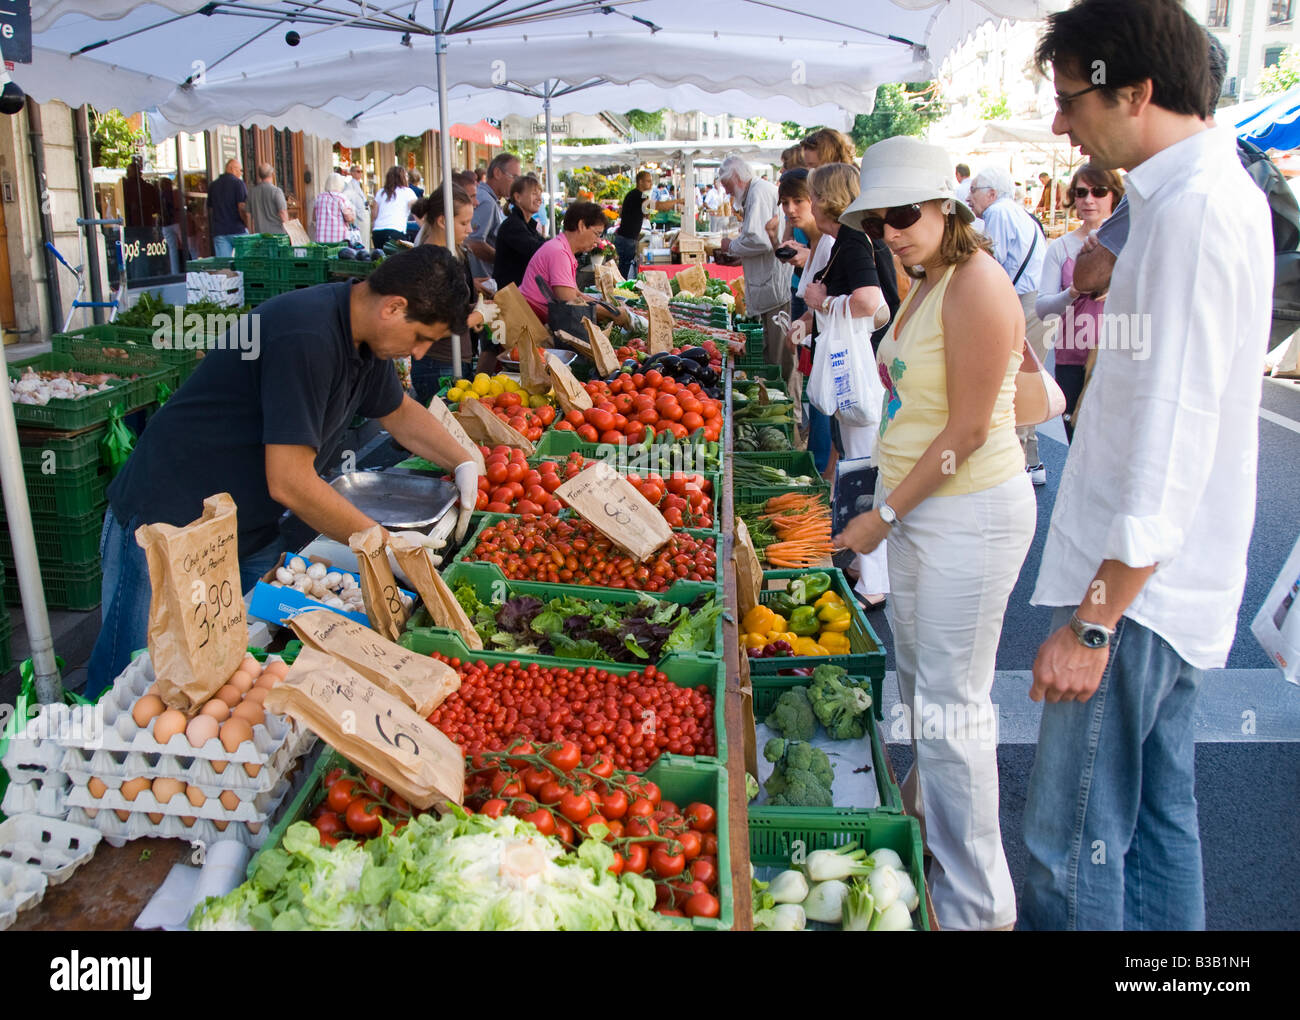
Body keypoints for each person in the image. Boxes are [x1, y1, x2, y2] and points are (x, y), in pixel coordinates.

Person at [1022, 0, 1272, 932]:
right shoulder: (1194, 201)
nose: (1060, 123)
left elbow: (1175, 428)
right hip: (1164, 589)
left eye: (1070, 98)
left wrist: (1093, 622)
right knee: (1159, 820)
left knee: (1069, 841)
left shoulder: (1197, 213)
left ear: (1136, 92)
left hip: (1135, 597)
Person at [87, 246, 482, 698]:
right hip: (169, 520)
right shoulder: (307, 335)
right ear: (393, 307)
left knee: (229, 665)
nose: (420, 351)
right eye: (421, 337)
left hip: (246, 523)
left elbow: (398, 412)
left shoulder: (365, 340)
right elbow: (291, 481)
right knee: (129, 676)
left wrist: (463, 459)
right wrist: (383, 546)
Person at [833, 136, 1034, 931]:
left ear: (945, 204)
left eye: (905, 213)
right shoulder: (929, 278)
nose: (892, 230)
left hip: (967, 514)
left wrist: (881, 517)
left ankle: (979, 904)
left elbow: (973, 429)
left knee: (954, 710)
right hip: (924, 509)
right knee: (920, 688)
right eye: (881, 219)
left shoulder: (977, 283)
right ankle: (921, 821)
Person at [801, 162, 898, 608]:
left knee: (864, 468)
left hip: (867, 374)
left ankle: (875, 580)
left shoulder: (855, 241)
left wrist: (825, 301)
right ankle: (864, 563)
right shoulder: (846, 241)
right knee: (861, 460)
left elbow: (871, 304)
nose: (812, 205)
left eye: (816, 196)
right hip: (861, 371)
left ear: (832, 199)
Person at [968, 165, 1049, 486]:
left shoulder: (999, 212)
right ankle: (1031, 462)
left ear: (990, 193)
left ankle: (1017, 465)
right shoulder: (1016, 211)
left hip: (1023, 301)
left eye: (974, 190)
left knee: (1014, 383)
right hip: (1034, 300)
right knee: (1025, 380)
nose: (970, 197)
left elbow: (991, 262)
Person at [1035, 162, 1123, 441]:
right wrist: (1074, 290)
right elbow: (1043, 309)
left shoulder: (1135, 243)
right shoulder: (1061, 248)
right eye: (1082, 192)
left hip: (1122, 355)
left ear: (1114, 196)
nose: (1089, 200)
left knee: (1116, 446)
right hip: (1073, 358)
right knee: (1079, 442)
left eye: (1099, 191)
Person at [717, 155, 792, 392]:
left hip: (774, 289)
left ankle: (785, 401)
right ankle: (776, 395)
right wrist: (741, 255)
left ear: (738, 178)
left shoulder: (759, 192)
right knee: (773, 350)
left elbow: (759, 240)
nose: (729, 193)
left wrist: (731, 246)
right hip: (768, 286)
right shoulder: (756, 192)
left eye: (728, 187)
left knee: (780, 355)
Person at [519, 201, 629, 326]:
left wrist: (608, 306)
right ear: (581, 225)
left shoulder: (563, 249)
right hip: (531, 321)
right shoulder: (559, 253)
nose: (598, 241)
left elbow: (576, 294)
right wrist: (613, 313)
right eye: (597, 234)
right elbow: (571, 304)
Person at [465, 152, 521, 286]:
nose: (517, 183)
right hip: (482, 281)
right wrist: (505, 261)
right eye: (514, 177)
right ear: (497, 173)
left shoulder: (489, 199)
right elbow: (474, 243)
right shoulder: (486, 202)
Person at [495, 174, 546, 290]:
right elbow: (538, 250)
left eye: (540, 194)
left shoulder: (527, 225)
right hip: (513, 298)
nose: (539, 199)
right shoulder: (513, 226)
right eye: (534, 194)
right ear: (518, 197)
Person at [207, 159, 250, 257]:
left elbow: (210, 208)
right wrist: (246, 223)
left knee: (225, 266)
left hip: (219, 231)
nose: (241, 173)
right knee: (244, 263)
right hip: (237, 229)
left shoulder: (213, 185)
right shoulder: (238, 183)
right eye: (240, 170)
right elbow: (241, 207)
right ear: (232, 169)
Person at [371, 166, 418, 249]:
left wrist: (373, 229)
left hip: (378, 231)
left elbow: (374, 214)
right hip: (395, 231)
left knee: (380, 259)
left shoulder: (381, 192)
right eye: (406, 176)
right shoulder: (408, 192)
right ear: (402, 177)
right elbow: (417, 211)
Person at [312, 172, 355, 243]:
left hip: (321, 239)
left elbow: (314, 218)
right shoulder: (341, 198)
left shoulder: (319, 198)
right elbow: (349, 218)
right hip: (339, 238)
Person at [248, 163, 289, 235]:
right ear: (272, 174)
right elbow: (283, 212)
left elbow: (248, 214)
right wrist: (289, 230)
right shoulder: (276, 191)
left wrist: (251, 231)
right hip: (276, 234)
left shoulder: (252, 192)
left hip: (260, 234)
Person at [343, 164, 372, 247]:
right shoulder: (349, 185)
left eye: (361, 171)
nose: (360, 173)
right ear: (352, 173)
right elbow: (346, 199)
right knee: (361, 240)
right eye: (358, 171)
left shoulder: (360, 184)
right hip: (359, 216)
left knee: (366, 239)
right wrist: (354, 210)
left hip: (365, 214)